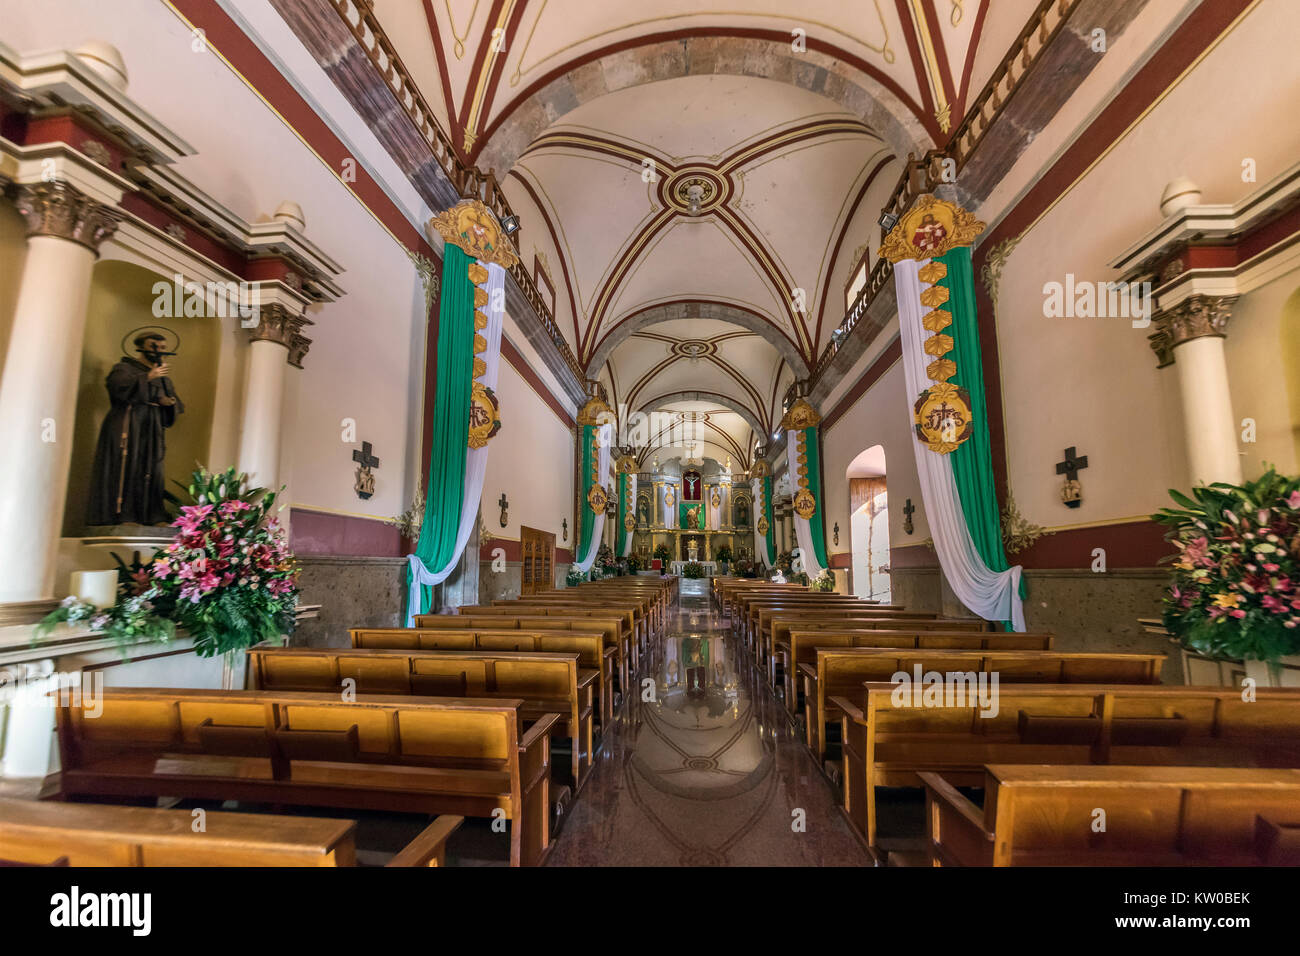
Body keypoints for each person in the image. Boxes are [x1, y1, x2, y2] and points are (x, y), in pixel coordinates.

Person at [87, 332, 184, 525]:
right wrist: (148, 377)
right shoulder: (124, 368)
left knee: (153, 470)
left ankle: (152, 515)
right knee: (128, 466)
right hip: (128, 424)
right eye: (153, 346)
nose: (158, 351)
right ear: (141, 347)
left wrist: (169, 402)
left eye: (162, 348)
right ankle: (124, 515)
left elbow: (174, 404)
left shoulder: (164, 378)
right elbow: (118, 389)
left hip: (152, 429)